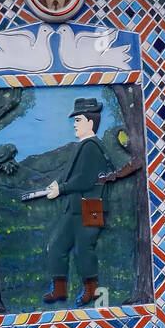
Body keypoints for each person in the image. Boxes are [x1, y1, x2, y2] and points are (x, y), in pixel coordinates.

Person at [42, 98, 110, 307]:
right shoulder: (82, 146)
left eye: (78, 119)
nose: (74, 123)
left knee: (84, 250)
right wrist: (58, 182)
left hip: (90, 208)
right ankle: (60, 290)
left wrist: (60, 189)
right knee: (56, 246)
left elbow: (85, 179)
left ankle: (92, 290)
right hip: (74, 209)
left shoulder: (92, 147)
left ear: (90, 123)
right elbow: (71, 173)